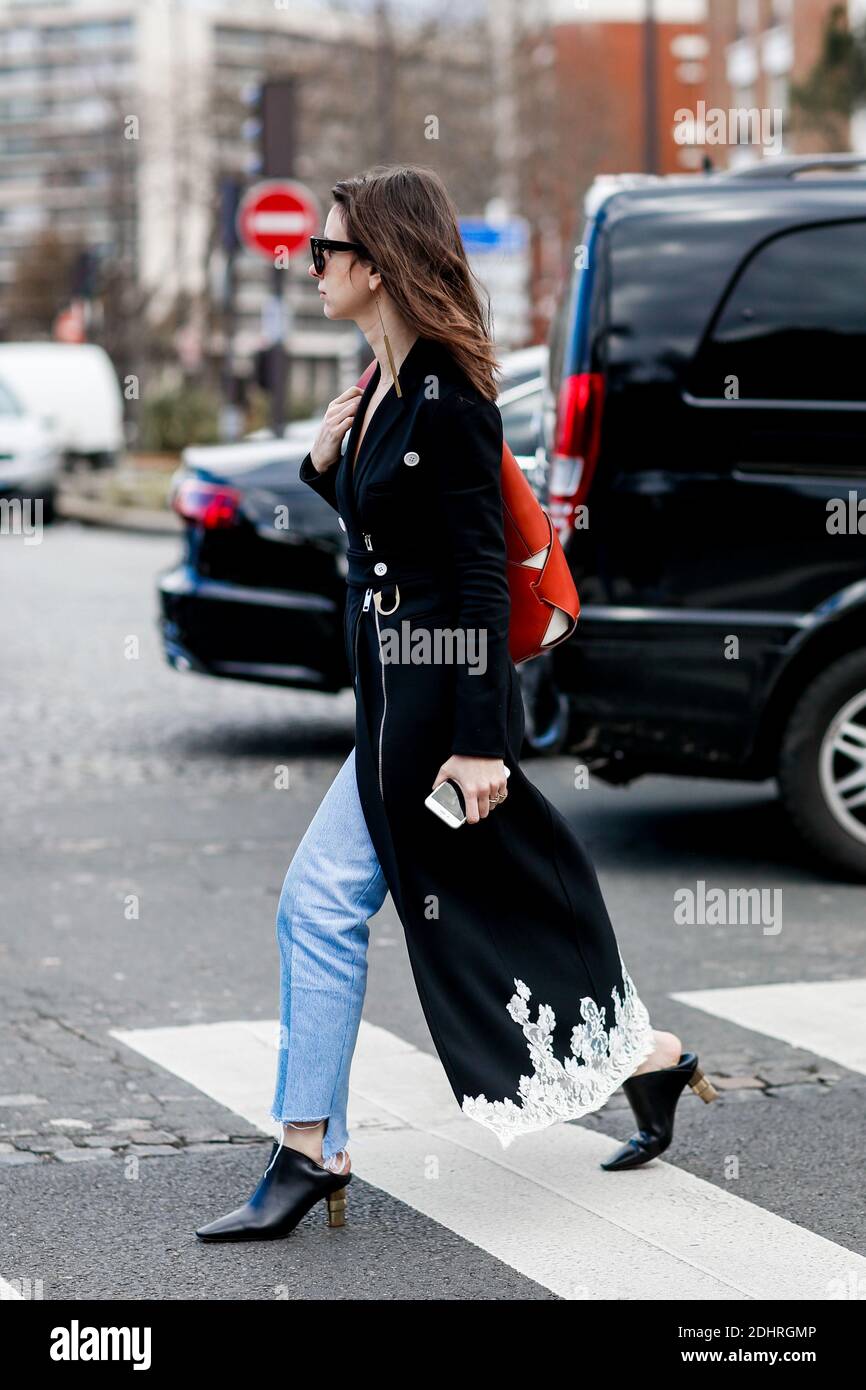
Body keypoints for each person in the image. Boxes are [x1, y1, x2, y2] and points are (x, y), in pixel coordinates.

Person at [195, 166, 717, 1244]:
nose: (314, 266)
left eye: (328, 253)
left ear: (378, 265)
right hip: (393, 698)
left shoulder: (450, 390)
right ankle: (653, 1061)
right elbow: (387, 531)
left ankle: (307, 1148)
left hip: (437, 711)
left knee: (323, 904)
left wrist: (481, 745)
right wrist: (322, 457)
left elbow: (478, 576)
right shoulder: (382, 380)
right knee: (495, 917)